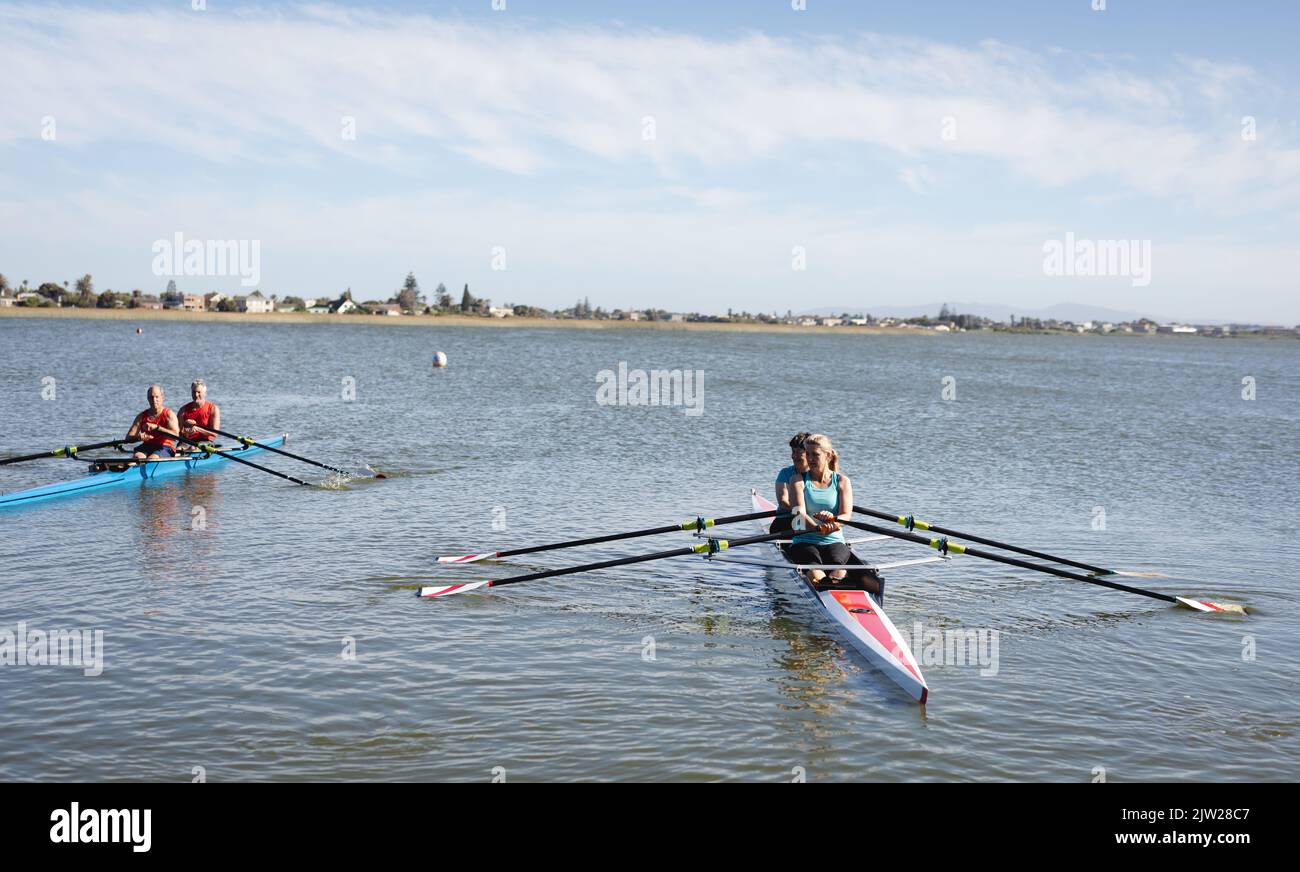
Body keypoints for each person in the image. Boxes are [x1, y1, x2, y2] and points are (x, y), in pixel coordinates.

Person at [788, 433, 855, 585]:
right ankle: (822, 584)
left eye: (815, 455)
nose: (810, 459)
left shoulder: (842, 481)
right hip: (804, 540)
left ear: (828, 456)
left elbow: (846, 514)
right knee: (815, 572)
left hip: (834, 540)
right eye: (808, 454)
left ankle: (835, 583)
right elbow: (799, 514)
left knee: (839, 569)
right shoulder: (797, 480)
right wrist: (818, 527)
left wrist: (833, 523)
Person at [771, 431, 811, 534]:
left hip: (810, 520)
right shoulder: (785, 473)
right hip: (786, 520)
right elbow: (783, 502)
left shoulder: (818, 474)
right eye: (793, 451)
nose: (793, 456)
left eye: (798, 452)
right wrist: (804, 512)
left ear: (809, 453)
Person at [125, 384, 179, 460]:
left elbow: (176, 435)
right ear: (148, 399)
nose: (154, 400)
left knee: (151, 459)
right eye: (151, 397)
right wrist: (138, 437)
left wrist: (157, 428)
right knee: (137, 457)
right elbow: (128, 438)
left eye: (157, 397)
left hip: (165, 446)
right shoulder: (141, 416)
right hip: (147, 446)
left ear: (162, 398)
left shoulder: (169, 414)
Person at [177, 379, 221, 448]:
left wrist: (196, 428)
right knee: (178, 449)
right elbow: (177, 433)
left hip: (205, 441)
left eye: (199, 392)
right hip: (187, 441)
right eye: (194, 392)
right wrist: (185, 432)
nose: (196, 395)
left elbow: (215, 433)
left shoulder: (213, 408)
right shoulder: (183, 410)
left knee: (193, 448)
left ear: (205, 393)